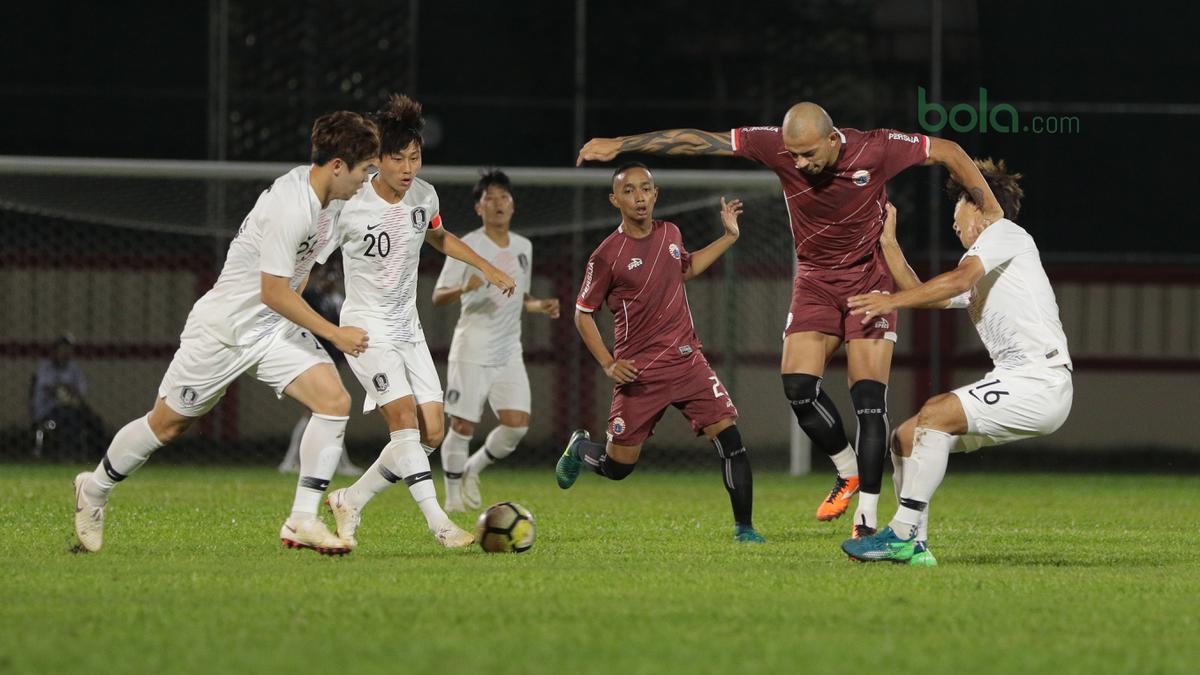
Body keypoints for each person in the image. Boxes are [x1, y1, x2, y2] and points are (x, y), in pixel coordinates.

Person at [576, 102, 1005, 538]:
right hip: (814, 280)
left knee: (868, 400)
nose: (798, 163)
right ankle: (847, 469)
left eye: (807, 154)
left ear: (832, 139)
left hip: (868, 277)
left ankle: (866, 520)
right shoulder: (776, 146)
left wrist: (991, 209)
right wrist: (622, 144)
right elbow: (702, 141)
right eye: (793, 155)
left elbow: (949, 150)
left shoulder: (876, 149)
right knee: (798, 388)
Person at [72, 111, 380, 555]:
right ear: (337, 166)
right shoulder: (291, 207)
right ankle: (94, 489)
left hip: (271, 331)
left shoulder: (331, 204)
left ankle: (302, 519)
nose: (367, 179)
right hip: (225, 331)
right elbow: (273, 292)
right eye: (364, 169)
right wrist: (334, 333)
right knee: (167, 425)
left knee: (333, 401)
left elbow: (297, 277)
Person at [841, 159, 1072, 565]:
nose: (954, 225)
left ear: (979, 208)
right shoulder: (992, 261)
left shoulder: (1005, 233)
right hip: (1022, 381)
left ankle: (899, 534)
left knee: (936, 412)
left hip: (1041, 381)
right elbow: (929, 293)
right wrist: (889, 243)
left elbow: (957, 280)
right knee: (906, 437)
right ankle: (916, 547)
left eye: (957, 213)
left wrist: (890, 301)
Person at [322, 94, 517, 550]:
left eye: (415, 157)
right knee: (404, 419)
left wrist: (485, 266)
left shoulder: (424, 196)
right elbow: (311, 253)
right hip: (365, 329)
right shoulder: (350, 203)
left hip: (408, 329)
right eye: (399, 159)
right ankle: (440, 523)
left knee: (432, 431)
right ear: (377, 159)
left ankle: (350, 499)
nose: (408, 168)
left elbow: (439, 236)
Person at [554, 162, 764, 543]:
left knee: (731, 441)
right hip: (640, 372)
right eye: (629, 190)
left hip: (687, 361)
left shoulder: (671, 232)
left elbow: (686, 268)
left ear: (656, 194)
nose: (639, 197)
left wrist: (729, 237)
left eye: (646, 189)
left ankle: (745, 531)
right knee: (619, 468)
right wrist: (608, 363)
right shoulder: (606, 255)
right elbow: (582, 314)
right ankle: (580, 448)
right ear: (614, 199)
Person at [431, 169, 561, 512]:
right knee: (462, 425)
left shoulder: (523, 247)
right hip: (472, 347)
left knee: (516, 425)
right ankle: (452, 500)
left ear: (513, 205)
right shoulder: (467, 245)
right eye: (490, 198)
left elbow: (518, 296)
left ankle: (472, 468)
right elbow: (438, 296)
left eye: (504, 197)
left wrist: (539, 306)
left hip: (509, 350)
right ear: (479, 207)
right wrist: (464, 287)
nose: (498, 203)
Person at [277, 258, 363, 476]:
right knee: (318, 410)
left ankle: (326, 463)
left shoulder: (339, 300)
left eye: (335, 276)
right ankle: (291, 461)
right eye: (327, 275)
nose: (330, 280)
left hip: (332, 358)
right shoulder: (311, 297)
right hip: (311, 356)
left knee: (327, 410)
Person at [31, 333, 106, 458]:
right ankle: (67, 454)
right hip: (48, 411)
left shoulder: (73, 368)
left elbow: (81, 391)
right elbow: (49, 390)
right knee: (70, 419)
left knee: (94, 421)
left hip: (72, 408)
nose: (66, 352)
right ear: (55, 350)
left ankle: (99, 455)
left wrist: (67, 389)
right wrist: (66, 388)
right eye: (62, 348)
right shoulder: (46, 367)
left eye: (68, 349)